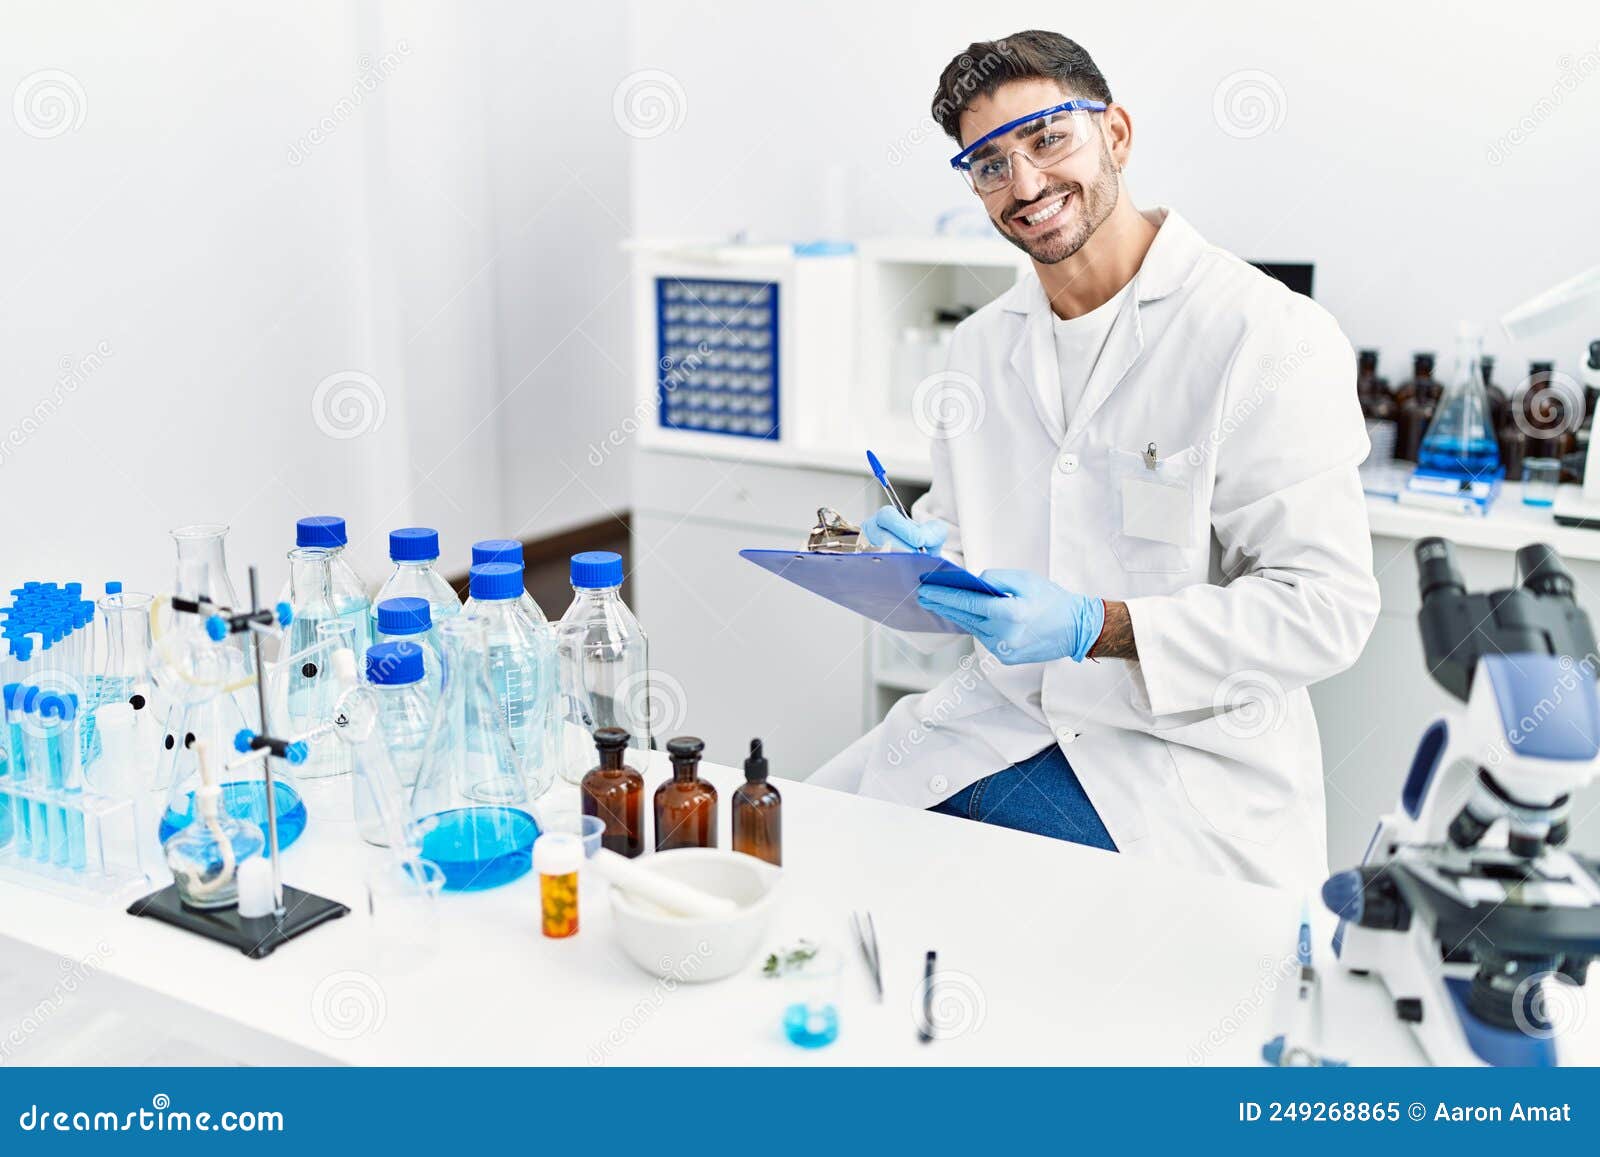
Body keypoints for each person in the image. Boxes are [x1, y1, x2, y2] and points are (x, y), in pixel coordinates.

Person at [810, 30, 1379, 889]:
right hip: (1000, 718)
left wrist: (1094, 626)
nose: (1027, 185)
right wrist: (915, 563)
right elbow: (973, 544)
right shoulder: (976, 350)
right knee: (802, 836)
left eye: (1048, 138)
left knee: (956, 910)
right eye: (990, 164)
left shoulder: (1265, 335)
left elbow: (1325, 609)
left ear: (1114, 133)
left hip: (1180, 761)